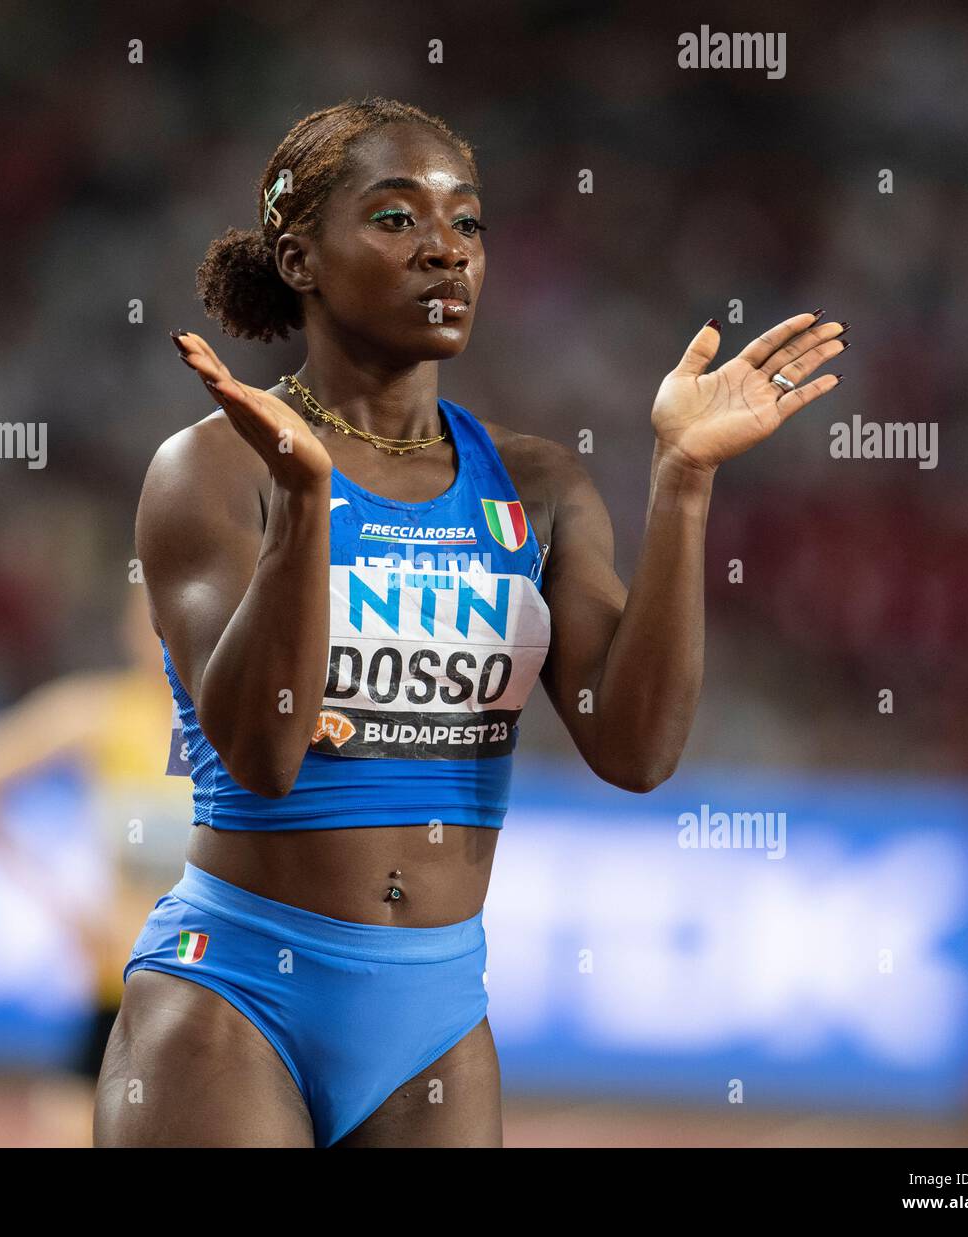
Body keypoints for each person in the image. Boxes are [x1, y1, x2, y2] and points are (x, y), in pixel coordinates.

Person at [93, 97, 846, 1148]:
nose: (444, 251)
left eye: (467, 223)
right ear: (300, 257)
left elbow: (635, 751)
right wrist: (307, 505)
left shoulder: (535, 484)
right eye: (396, 218)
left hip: (437, 1017)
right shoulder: (213, 468)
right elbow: (262, 754)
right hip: (236, 997)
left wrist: (681, 483)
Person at [0, 586, 193, 1098]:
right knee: (68, 1126)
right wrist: (61, 904)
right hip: (122, 982)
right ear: (128, 631)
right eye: (149, 624)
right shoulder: (100, 713)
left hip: (213, 990)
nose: (162, 640)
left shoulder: (236, 724)